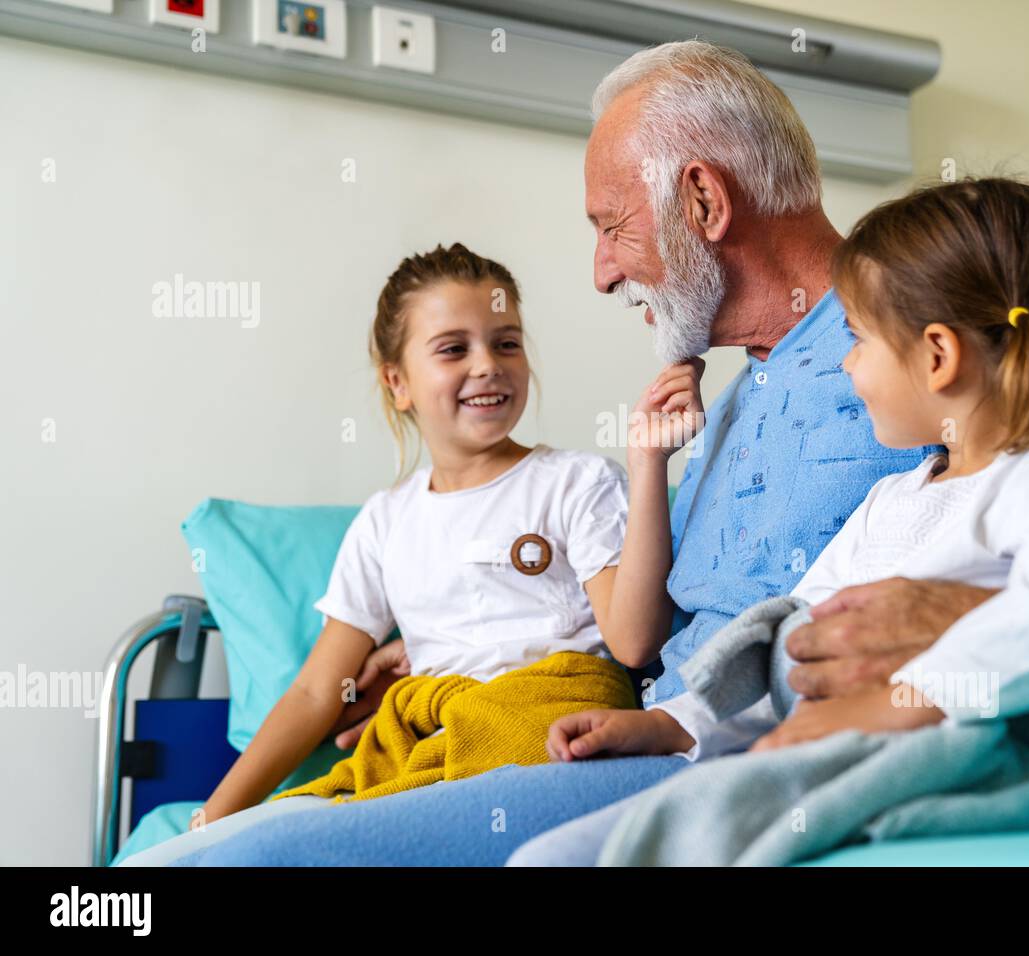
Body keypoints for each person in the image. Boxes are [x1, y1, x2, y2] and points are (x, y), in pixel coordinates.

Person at [174, 42, 1029, 868]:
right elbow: (635, 627)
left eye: (612, 226)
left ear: (703, 202)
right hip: (665, 734)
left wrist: (964, 614)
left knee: (234, 867)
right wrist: (454, 634)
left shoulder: (958, 349)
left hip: (802, 746)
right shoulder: (717, 411)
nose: (601, 268)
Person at [119, 242, 694, 865]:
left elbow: (634, 645)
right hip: (432, 739)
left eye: (507, 342)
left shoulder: (577, 482)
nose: (488, 366)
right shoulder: (385, 523)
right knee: (185, 858)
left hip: (543, 722)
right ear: (398, 383)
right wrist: (210, 818)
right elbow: (318, 693)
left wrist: (646, 467)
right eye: (454, 349)